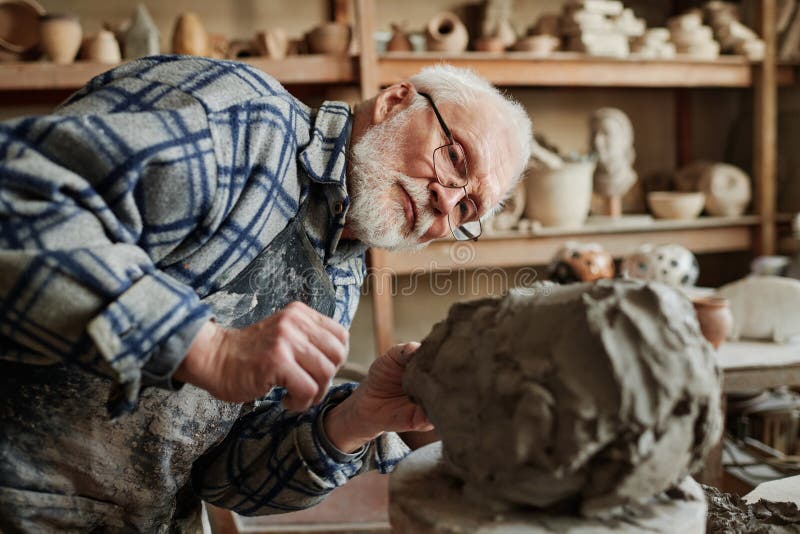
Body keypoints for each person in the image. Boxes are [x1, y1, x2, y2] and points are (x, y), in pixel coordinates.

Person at [0, 55, 532, 531]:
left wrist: (357, 419)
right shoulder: (239, 119)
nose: (446, 202)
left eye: (467, 210)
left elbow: (225, 478)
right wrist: (200, 347)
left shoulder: (343, 274)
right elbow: (16, 204)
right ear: (396, 102)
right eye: (455, 158)